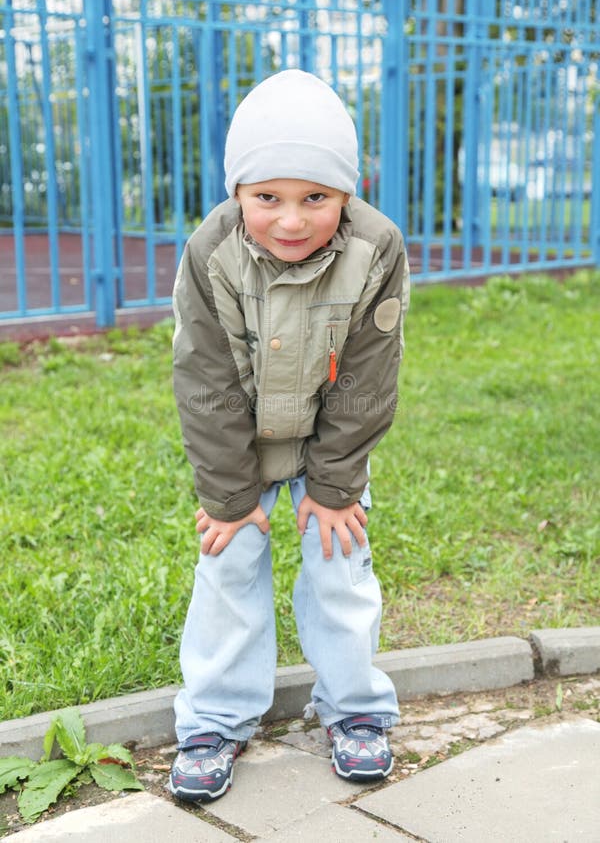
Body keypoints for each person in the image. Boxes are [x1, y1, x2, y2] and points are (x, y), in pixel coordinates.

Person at [168, 69, 410, 803]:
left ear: (348, 193)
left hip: (328, 447)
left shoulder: (376, 248)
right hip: (237, 444)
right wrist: (232, 497)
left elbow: (368, 378)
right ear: (237, 193)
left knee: (340, 567)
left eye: (317, 198)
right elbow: (204, 381)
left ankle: (357, 712)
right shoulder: (211, 251)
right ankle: (213, 721)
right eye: (267, 197)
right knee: (228, 570)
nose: (293, 220)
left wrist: (335, 487)